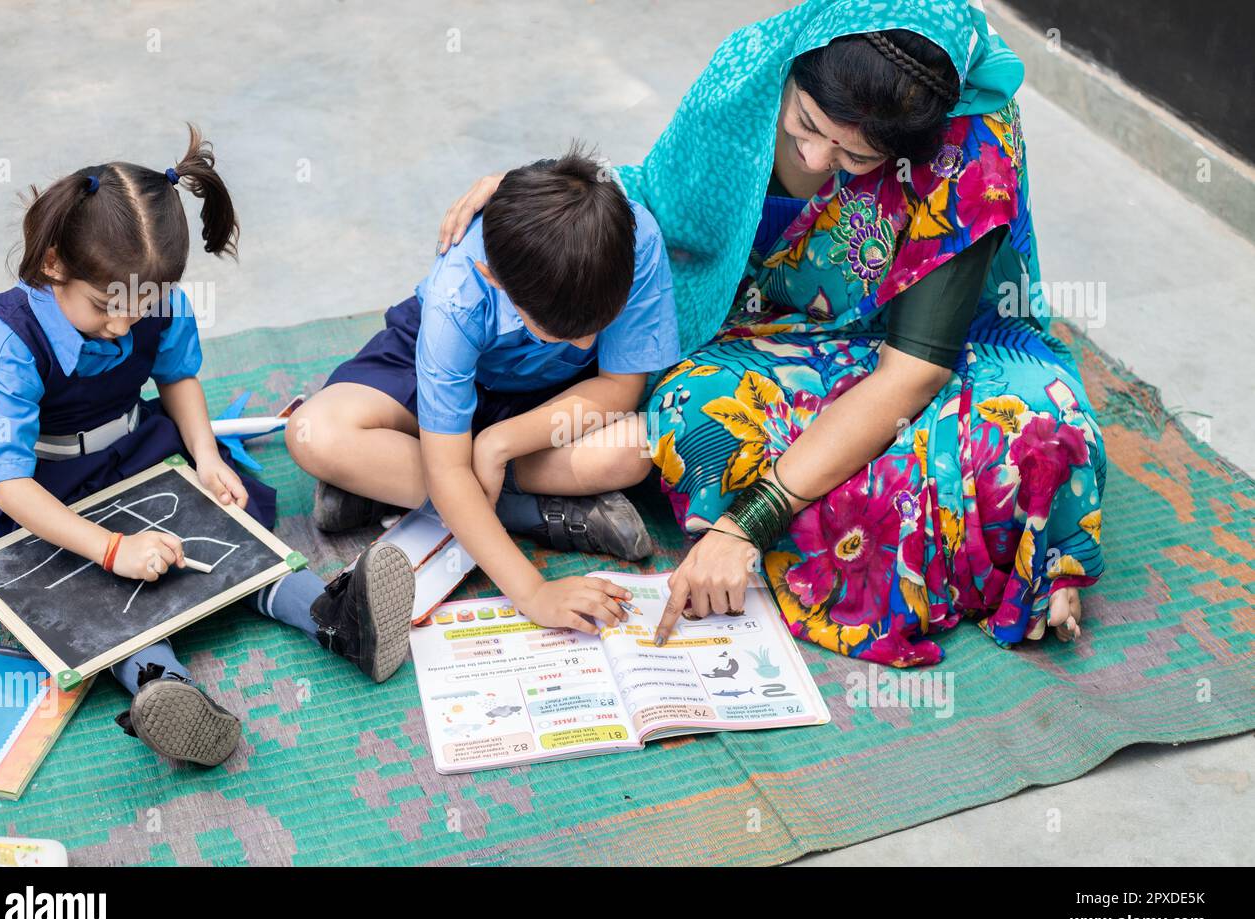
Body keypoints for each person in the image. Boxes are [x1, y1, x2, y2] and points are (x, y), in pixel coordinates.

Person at [436, 0, 1105, 666]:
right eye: (808, 124)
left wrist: (748, 523)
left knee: (1048, 432)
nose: (815, 158)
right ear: (798, 64)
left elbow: (914, 371)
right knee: (696, 420)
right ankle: (459, 477)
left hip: (934, 356)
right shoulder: (753, 67)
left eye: (859, 155)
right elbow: (665, 197)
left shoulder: (971, 136)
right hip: (760, 329)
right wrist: (545, 189)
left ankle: (473, 480)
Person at [0, 125, 414, 767]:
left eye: (138, 307)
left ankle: (334, 616)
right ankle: (161, 686)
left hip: (131, 442)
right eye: (101, 306)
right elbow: (10, 485)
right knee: (83, 583)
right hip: (40, 481)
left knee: (217, 520)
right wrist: (112, 549)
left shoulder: (155, 299)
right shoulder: (4, 340)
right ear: (54, 262)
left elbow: (177, 377)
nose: (121, 325)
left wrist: (203, 457)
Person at [288, 146, 682, 633]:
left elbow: (619, 385)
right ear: (493, 279)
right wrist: (534, 592)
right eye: (560, 331)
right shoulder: (457, 295)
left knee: (639, 447)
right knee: (315, 432)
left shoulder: (633, 238)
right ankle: (526, 510)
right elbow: (448, 468)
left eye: (596, 327)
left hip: (551, 398)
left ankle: (387, 492)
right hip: (450, 373)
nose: (586, 341)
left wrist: (499, 443)